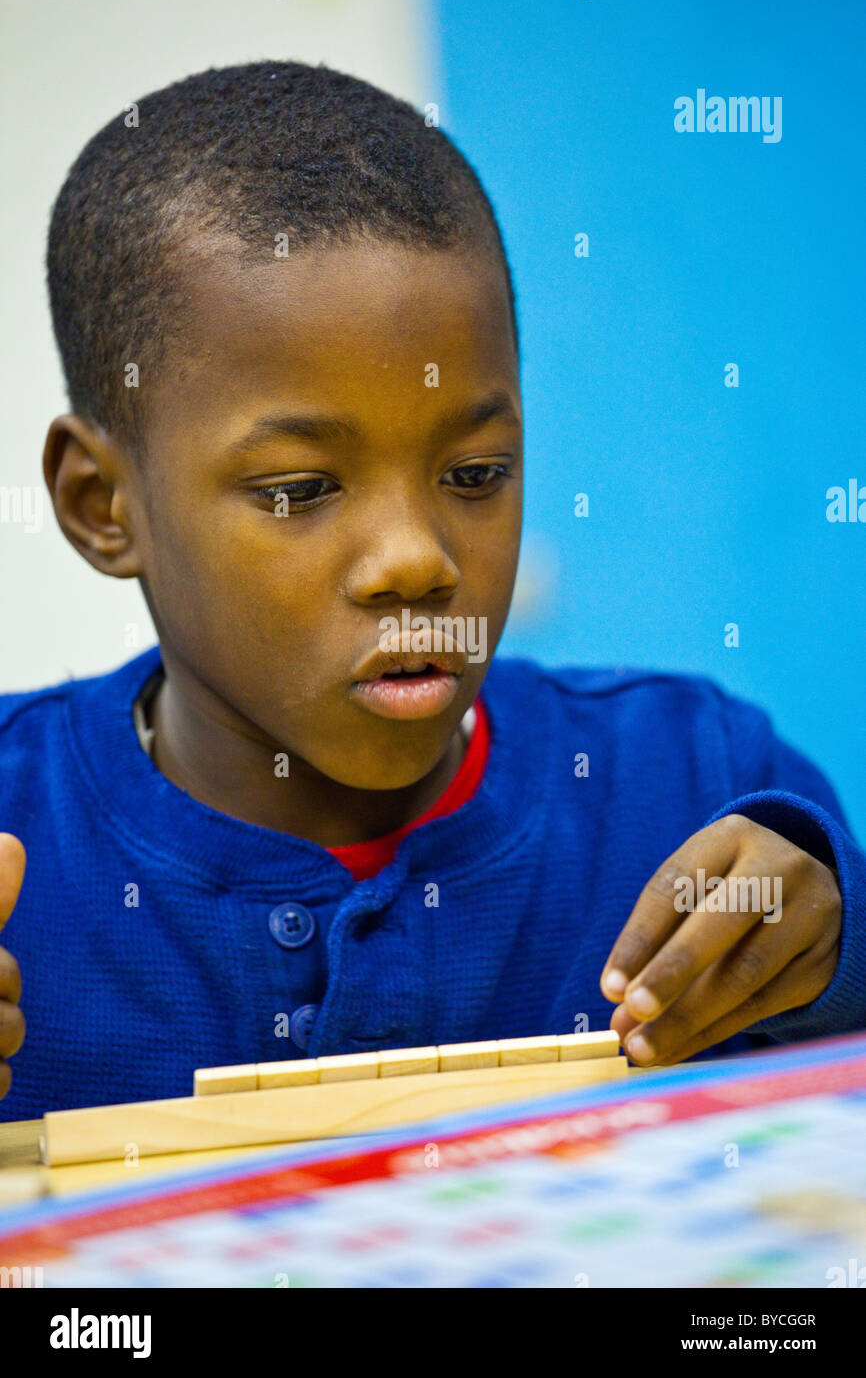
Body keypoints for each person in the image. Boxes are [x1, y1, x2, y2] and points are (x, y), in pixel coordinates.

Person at [0, 61, 862, 1118]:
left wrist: (833, 947)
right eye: (299, 488)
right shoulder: (15, 845)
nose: (415, 561)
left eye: (473, 475)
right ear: (102, 503)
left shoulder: (692, 782)